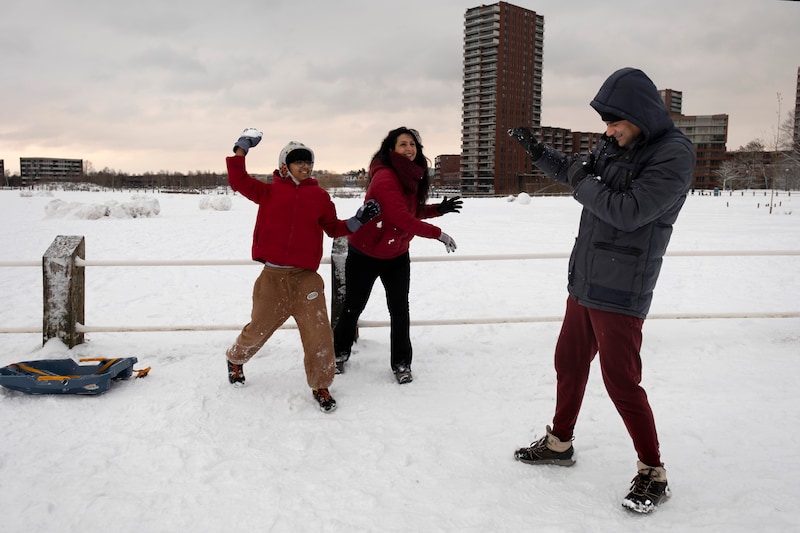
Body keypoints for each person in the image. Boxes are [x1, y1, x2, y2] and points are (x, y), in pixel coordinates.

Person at [508, 67, 695, 514]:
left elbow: (629, 211)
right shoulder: (615, 144)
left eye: (615, 122)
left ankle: (653, 471)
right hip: (587, 278)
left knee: (621, 382)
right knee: (569, 361)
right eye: (605, 123)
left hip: (622, 286)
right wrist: (540, 153)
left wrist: (583, 181)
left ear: (640, 114)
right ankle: (560, 442)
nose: (608, 131)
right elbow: (577, 172)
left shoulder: (673, 154)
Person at [224, 129, 380, 413]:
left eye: (308, 162)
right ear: (285, 165)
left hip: (305, 279)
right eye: (299, 161)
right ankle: (235, 359)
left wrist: (357, 221)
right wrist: (241, 149)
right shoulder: (268, 192)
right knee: (258, 329)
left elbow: (333, 228)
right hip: (272, 278)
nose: (305, 166)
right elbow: (238, 180)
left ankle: (321, 384)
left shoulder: (319, 196)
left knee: (319, 334)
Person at [332, 127, 461, 384]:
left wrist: (438, 209)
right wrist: (438, 234)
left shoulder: (410, 175)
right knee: (354, 306)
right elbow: (399, 216)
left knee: (400, 310)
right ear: (391, 149)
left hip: (396, 254)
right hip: (366, 253)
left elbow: (410, 209)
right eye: (403, 144)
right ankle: (338, 354)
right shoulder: (385, 177)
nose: (409, 148)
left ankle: (402, 363)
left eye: (412, 144)